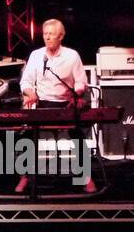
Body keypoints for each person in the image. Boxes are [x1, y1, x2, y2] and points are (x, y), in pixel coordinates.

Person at [17, 19, 94, 193]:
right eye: (45, 34)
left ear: (61, 36)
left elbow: (81, 82)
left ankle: (86, 177)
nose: (48, 37)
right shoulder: (36, 55)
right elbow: (26, 81)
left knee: (77, 135)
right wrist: (30, 93)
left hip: (66, 103)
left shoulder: (72, 56)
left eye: (51, 34)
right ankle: (25, 177)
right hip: (42, 103)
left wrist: (77, 95)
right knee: (27, 135)